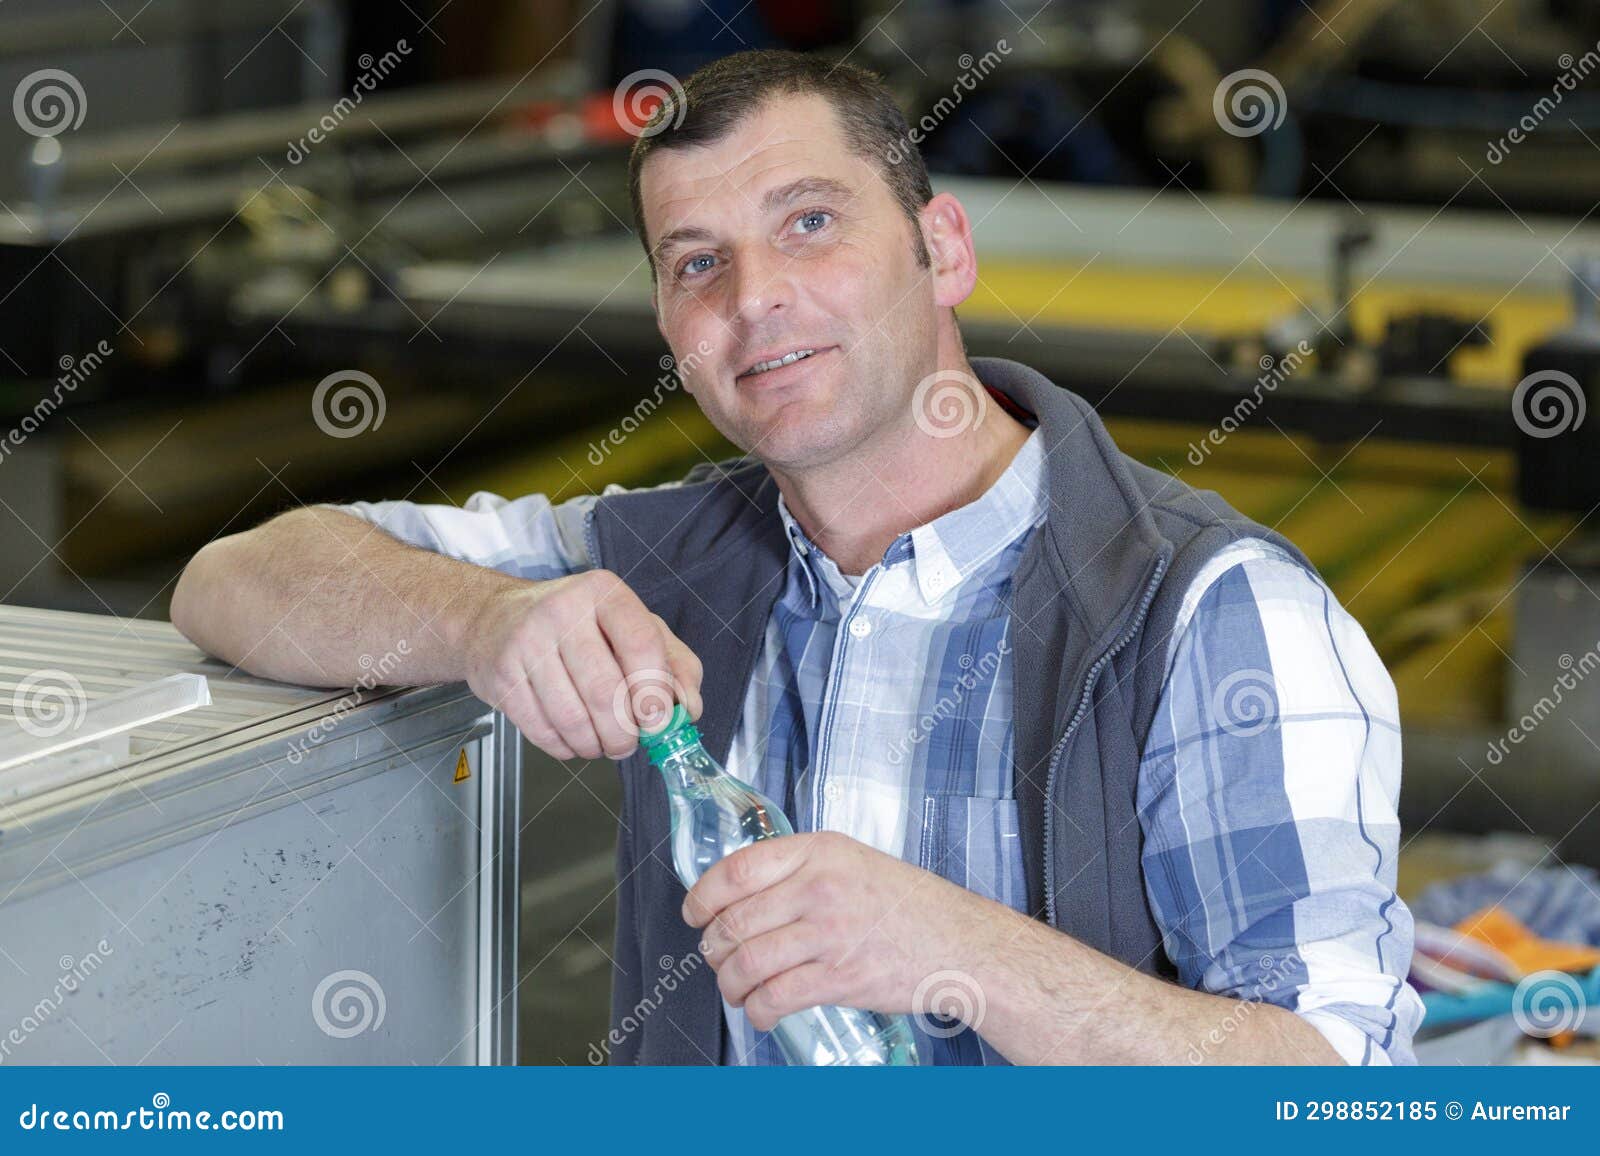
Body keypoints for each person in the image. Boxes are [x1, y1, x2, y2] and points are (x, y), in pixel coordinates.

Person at [172, 49, 1423, 1066]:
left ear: (943, 248)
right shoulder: (657, 556)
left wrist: (956, 949)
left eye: (808, 222)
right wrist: (481, 622)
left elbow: (1330, 1084)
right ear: (669, 321)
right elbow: (234, 577)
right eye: (696, 263)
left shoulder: (1212, 616)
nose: (753, 297)